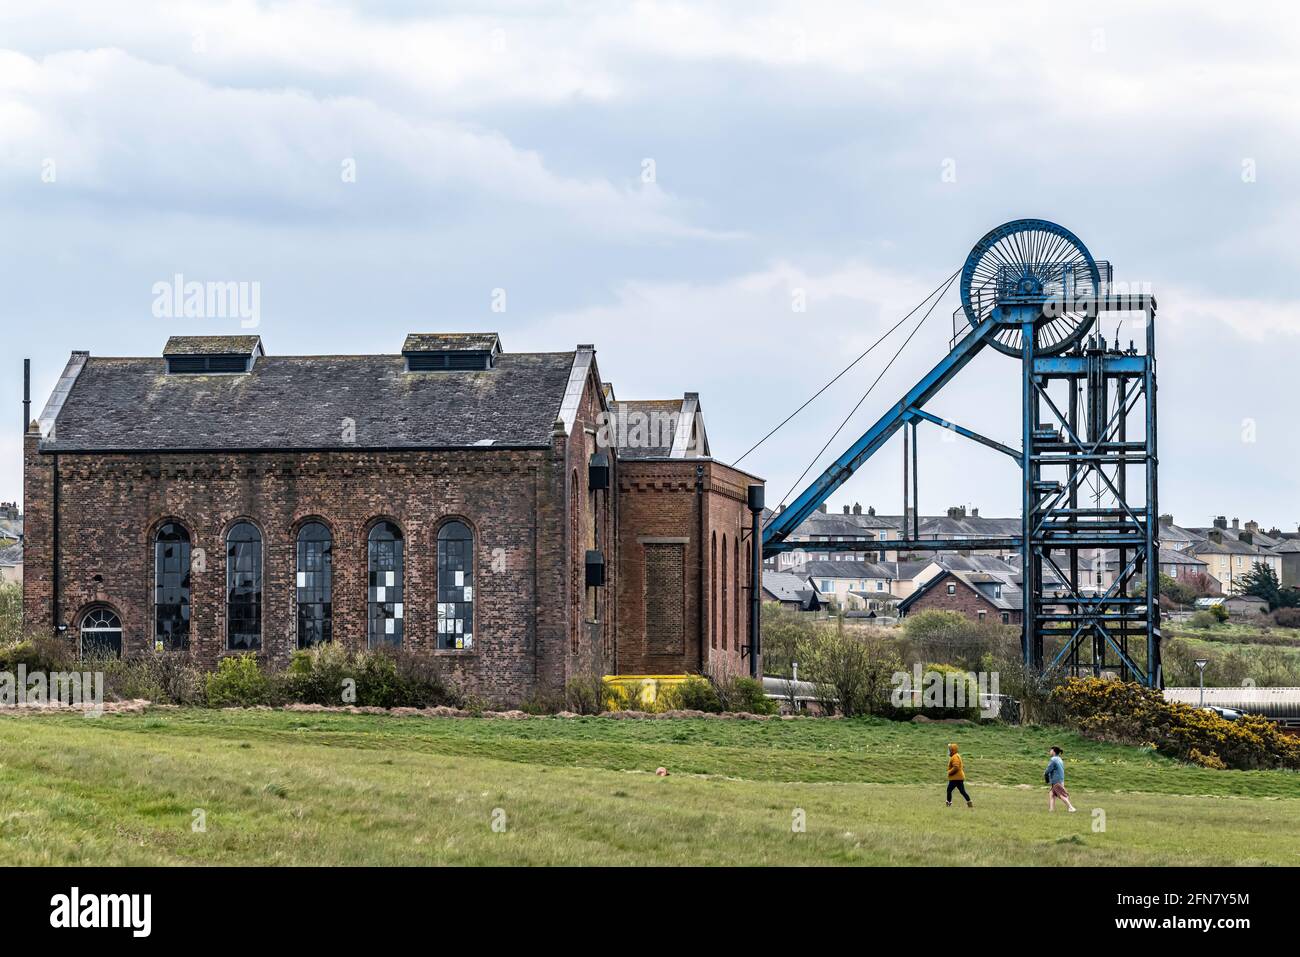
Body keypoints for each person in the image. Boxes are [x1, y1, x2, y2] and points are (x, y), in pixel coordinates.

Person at [1044, 746, 1076, 812]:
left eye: (1051, 750)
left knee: (1061, 795)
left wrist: (1045, 775)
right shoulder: (1059, 759)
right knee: (1052, 794)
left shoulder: (1053, 759)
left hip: (1056, 780)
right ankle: (1051, 809)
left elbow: (1048, 770)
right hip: (1060, 779)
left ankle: (1071, 807)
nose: (1050, 751)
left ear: (1054, 751)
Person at [946, 743, 973, 808]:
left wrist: (949, 772)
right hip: (959, 777)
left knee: (949, 790)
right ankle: (969, 803)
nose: (948, 751)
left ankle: (948, 804)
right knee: (962, 791)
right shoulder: (955, 756)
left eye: (949, 750)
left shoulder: (955, 756)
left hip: (956, 778)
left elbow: (956, 767)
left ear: (952, 750)